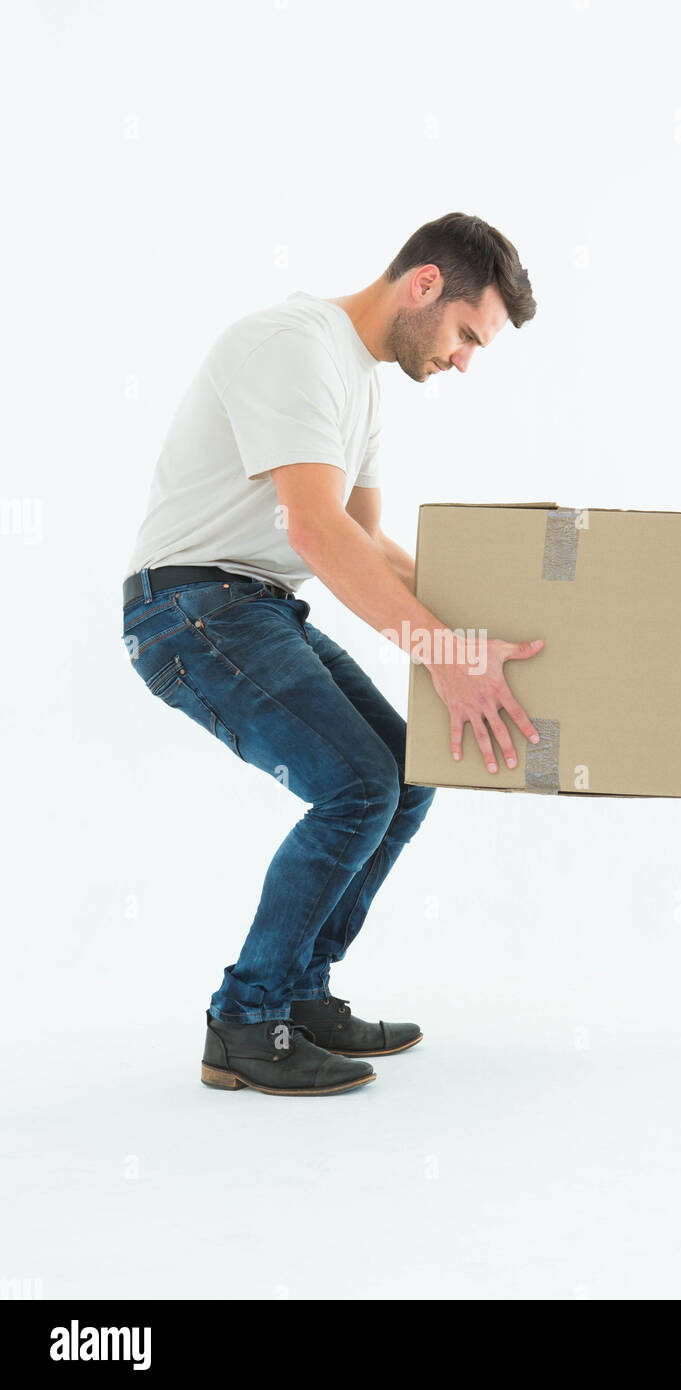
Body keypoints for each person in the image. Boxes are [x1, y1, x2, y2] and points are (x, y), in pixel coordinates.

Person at [121, 211, 543, 1097]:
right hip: (191, 609)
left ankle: (299, 998)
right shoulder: (291, 344)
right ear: (424, 283)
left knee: (404, 771)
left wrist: (477, 631)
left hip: (252, 608)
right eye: (468, 335)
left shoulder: (362, 383)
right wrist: (441, 654)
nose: (465, 360)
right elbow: (312, 531)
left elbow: (365, 540)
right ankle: (245, 1020)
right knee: (357, 786)